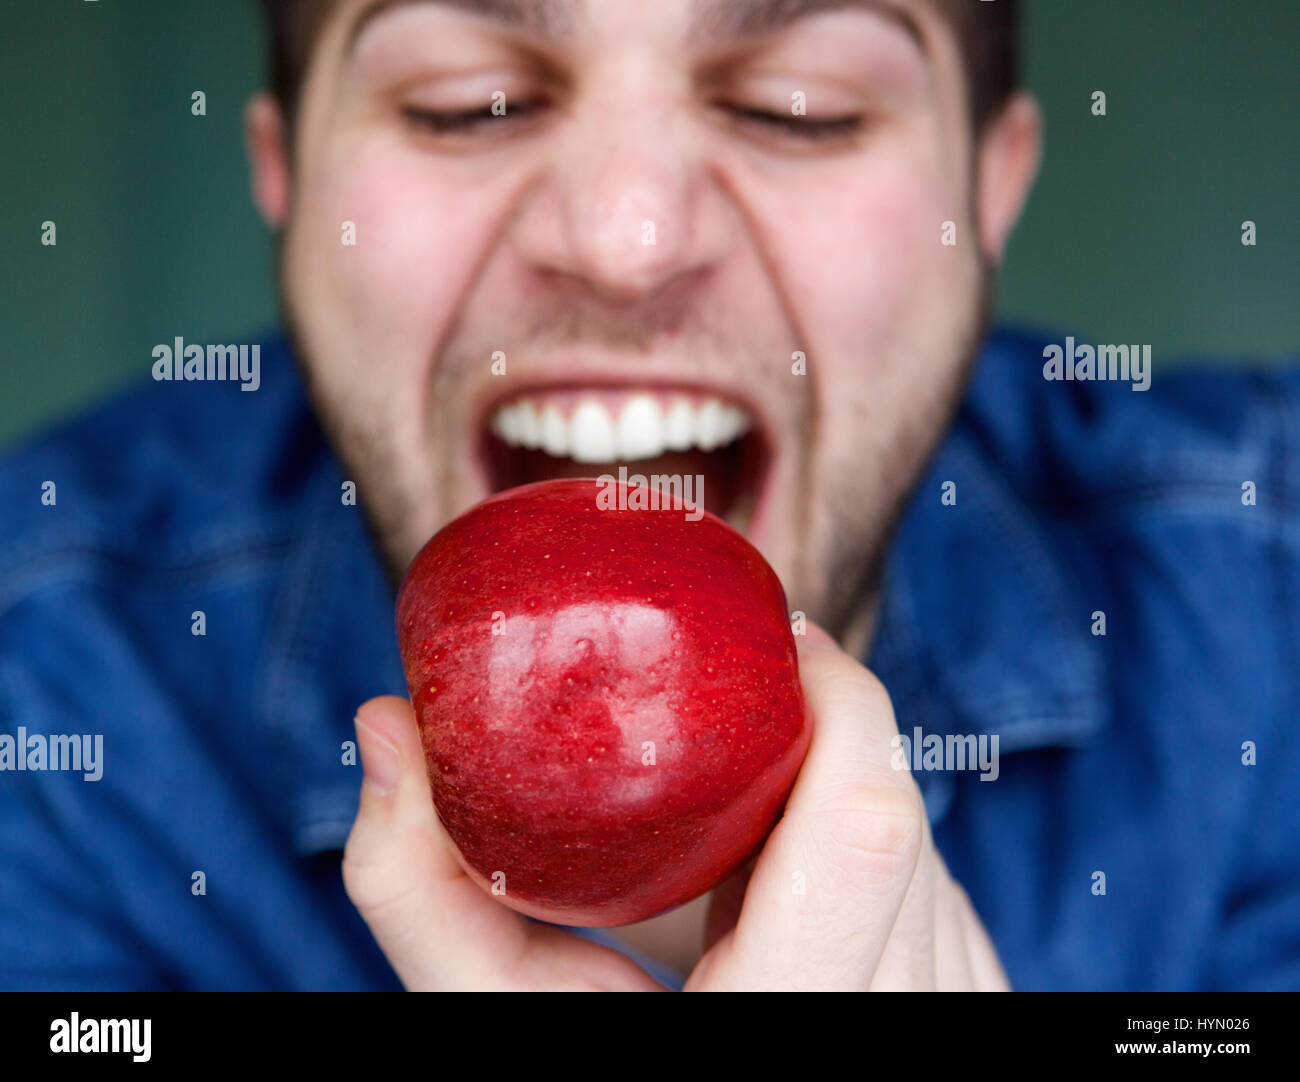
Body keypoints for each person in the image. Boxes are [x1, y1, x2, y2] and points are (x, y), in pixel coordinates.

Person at [1, 0, 1296, 991]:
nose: (627, 241)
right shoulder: (48, 702)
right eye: (473, 100)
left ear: (989, 190)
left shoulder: (1269, 613)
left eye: (803, 104)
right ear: (285, 180)